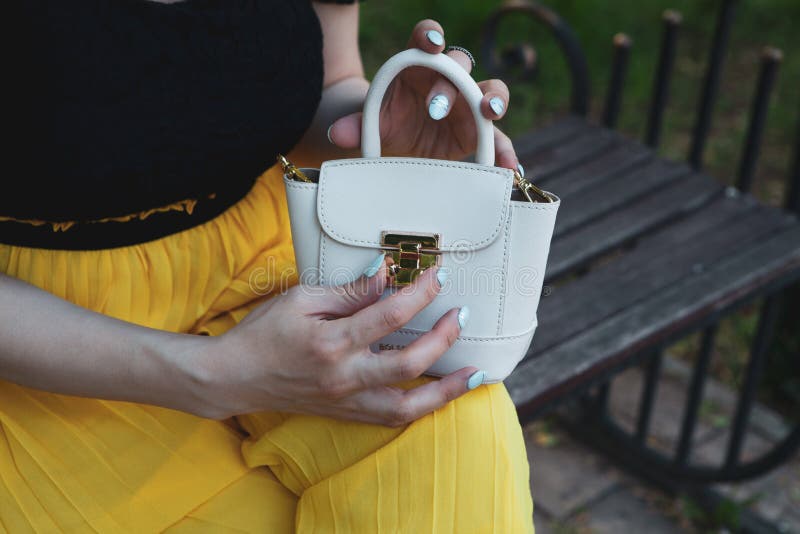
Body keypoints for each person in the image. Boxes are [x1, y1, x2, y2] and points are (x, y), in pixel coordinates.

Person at [0, 1, 534, 532]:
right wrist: (210, 374)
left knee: (457, 436)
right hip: (52, 352)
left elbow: (332, 79)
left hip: (277, 271)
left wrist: (385, 121)